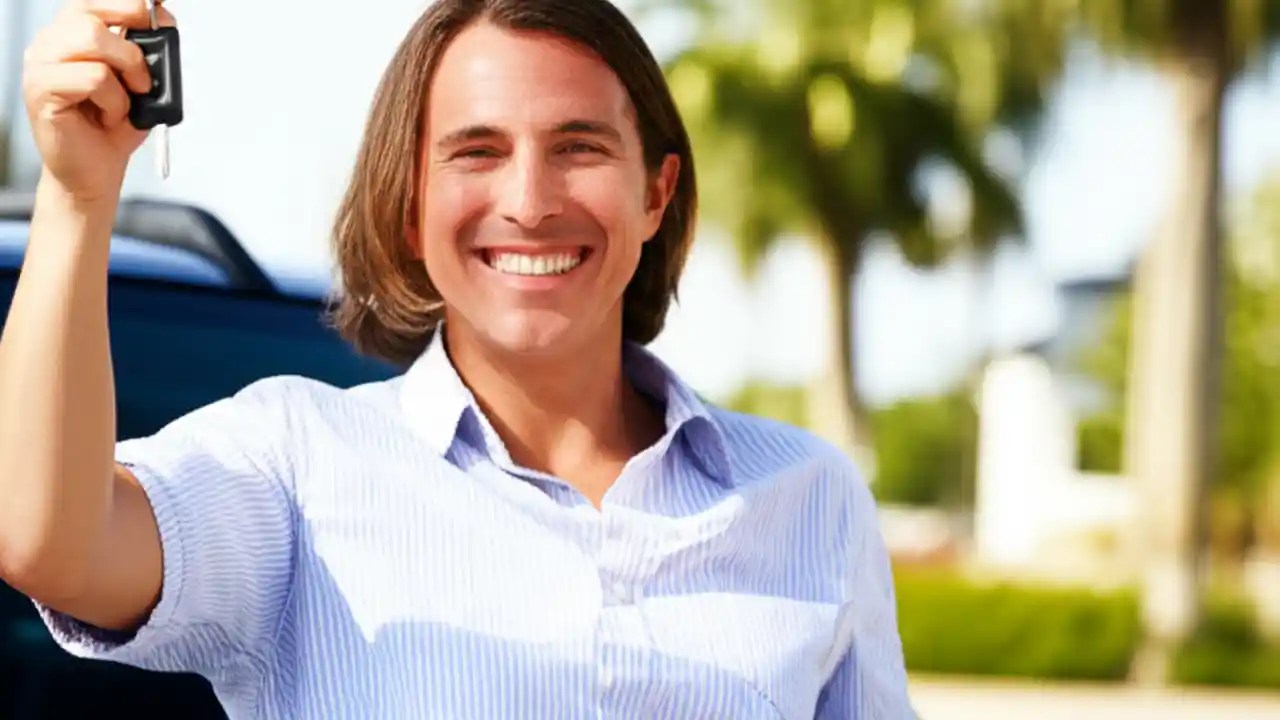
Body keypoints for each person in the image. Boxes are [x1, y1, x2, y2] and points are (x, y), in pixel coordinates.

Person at [0, 0, 914, 717]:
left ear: (655, 194)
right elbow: (50, 541)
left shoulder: (810, 498)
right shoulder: (295, 462)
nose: (528, 200)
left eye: (579, 148)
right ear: (410, 208)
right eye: (476, 152)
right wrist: (81, 197)